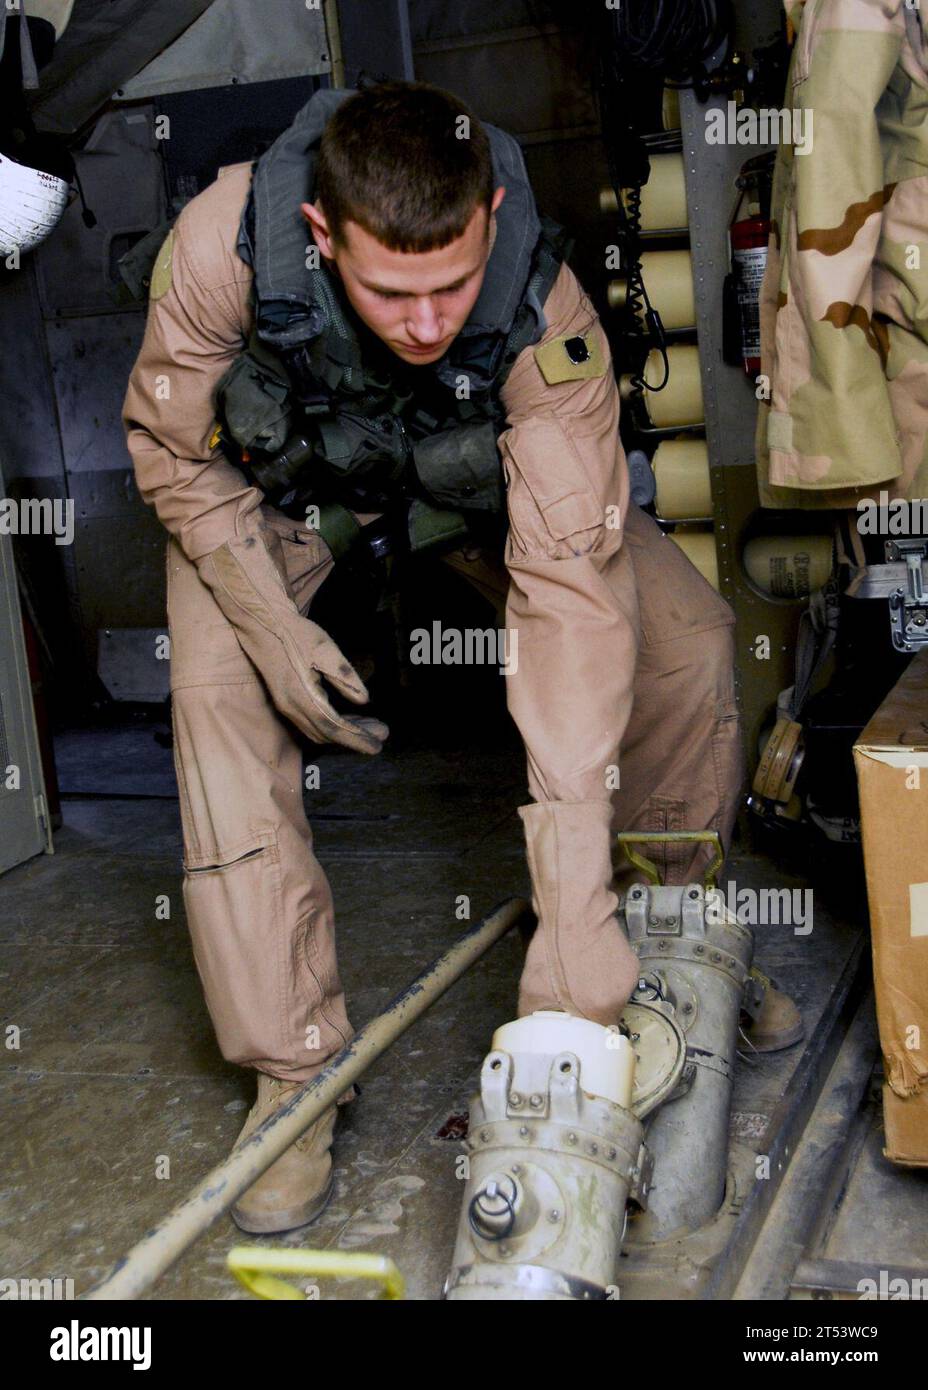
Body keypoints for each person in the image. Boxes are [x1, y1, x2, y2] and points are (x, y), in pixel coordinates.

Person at [123, 80, 795, 1235]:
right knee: (217, 702)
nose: (429, 324)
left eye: (453, 284)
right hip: (278, 506)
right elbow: (172, 452)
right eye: (393, 291)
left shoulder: (544, 297)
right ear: (322, 236)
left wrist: (571, 897)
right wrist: (271, 624)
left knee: (685, 643)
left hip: (471, 496)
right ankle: (294, 1073)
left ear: (489, 210)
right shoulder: (217, 249)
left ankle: (666, 948)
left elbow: (574, 591)